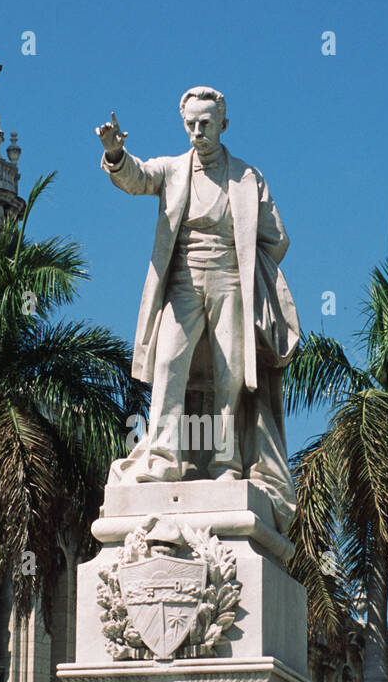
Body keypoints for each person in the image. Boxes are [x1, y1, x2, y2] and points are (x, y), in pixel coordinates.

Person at [96, 87, 299, 531]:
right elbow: (136, 177)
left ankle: (226, 460)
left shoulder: (248, 177)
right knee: (169, 363)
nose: (197, 130)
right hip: (183, 283)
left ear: (223, 124)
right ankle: (165, 455)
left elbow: (276, 237)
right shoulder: (171, 170)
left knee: (230, 374)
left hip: (230, 281)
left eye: (206, 122)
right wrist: (115, 153)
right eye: (190, 123)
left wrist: (248, 265)